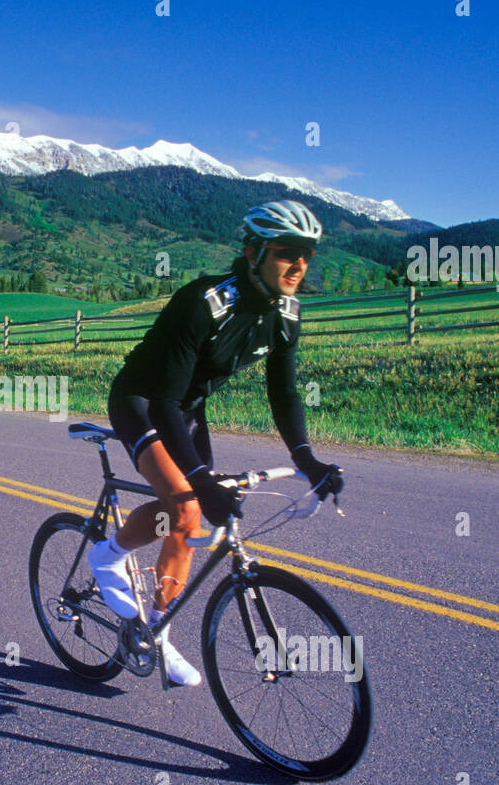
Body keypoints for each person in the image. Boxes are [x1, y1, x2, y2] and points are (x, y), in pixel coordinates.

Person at [88, 200, 344, 686]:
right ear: (253, 252)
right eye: (288, 252)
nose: (300, 265)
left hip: (186, 409)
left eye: (308, 254)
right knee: (185, 506)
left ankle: (152, 629)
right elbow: (163, 401)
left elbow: (284, 390)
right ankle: (108, 555)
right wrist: (202, 480)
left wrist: (306, 458)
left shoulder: (287, 312)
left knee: (189, 513)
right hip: (143, 399)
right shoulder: (204, 302)